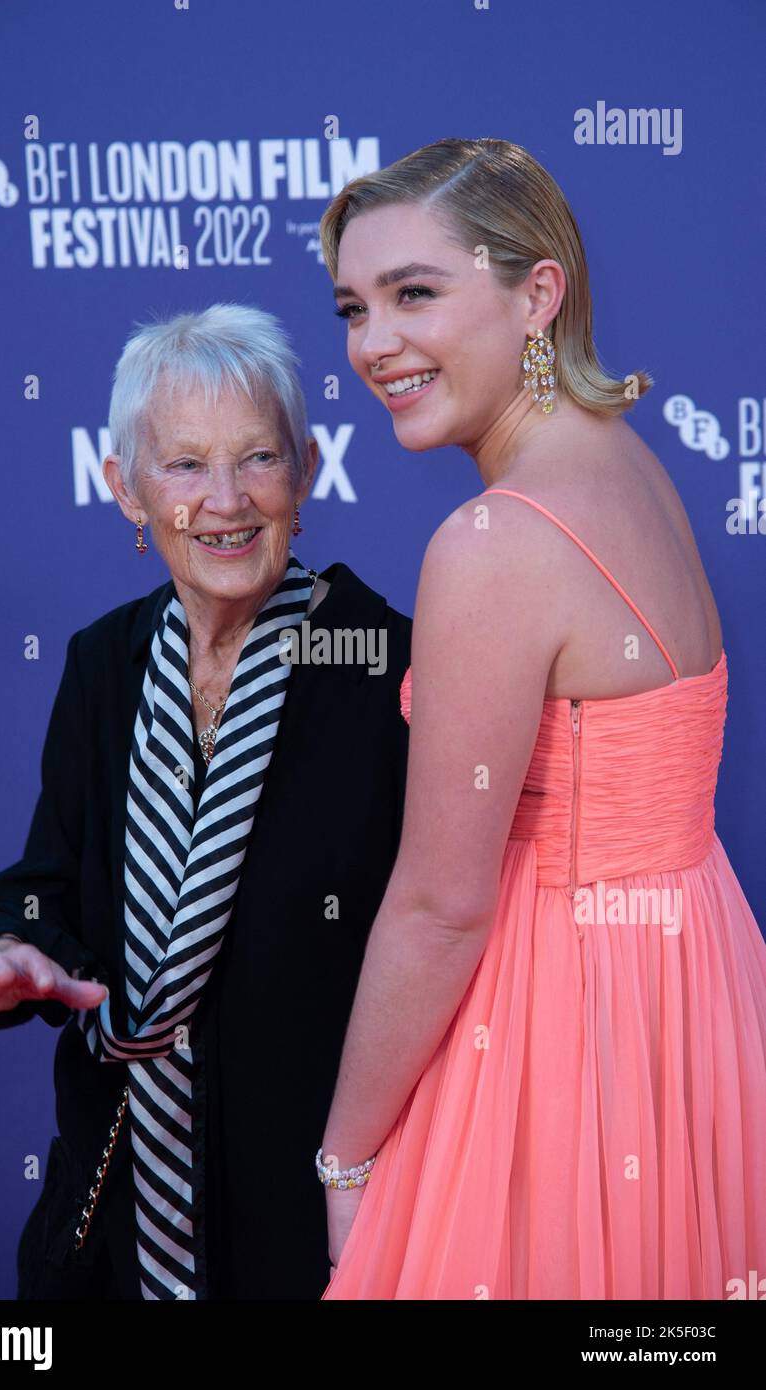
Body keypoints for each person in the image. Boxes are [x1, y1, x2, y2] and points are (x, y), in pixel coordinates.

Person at [314, 137, 766, 1299]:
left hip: (554, 1024)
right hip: (683, 987)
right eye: (354, 307)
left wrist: (346, 1156)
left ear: (537, 293)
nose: (374, 344)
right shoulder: (628, 466)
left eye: (416, 293)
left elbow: (439, 906)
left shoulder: (493, 542)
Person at [0, 303, 412, 1301]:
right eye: (183, 466)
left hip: (324, 1208)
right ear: (125, 490)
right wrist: (9, 950)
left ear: (306, 473)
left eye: (257, 458)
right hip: (122, 1205)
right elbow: (44, 886)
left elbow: (444, 931)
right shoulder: (106, 661)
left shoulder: (385, 662)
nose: (224, 500)